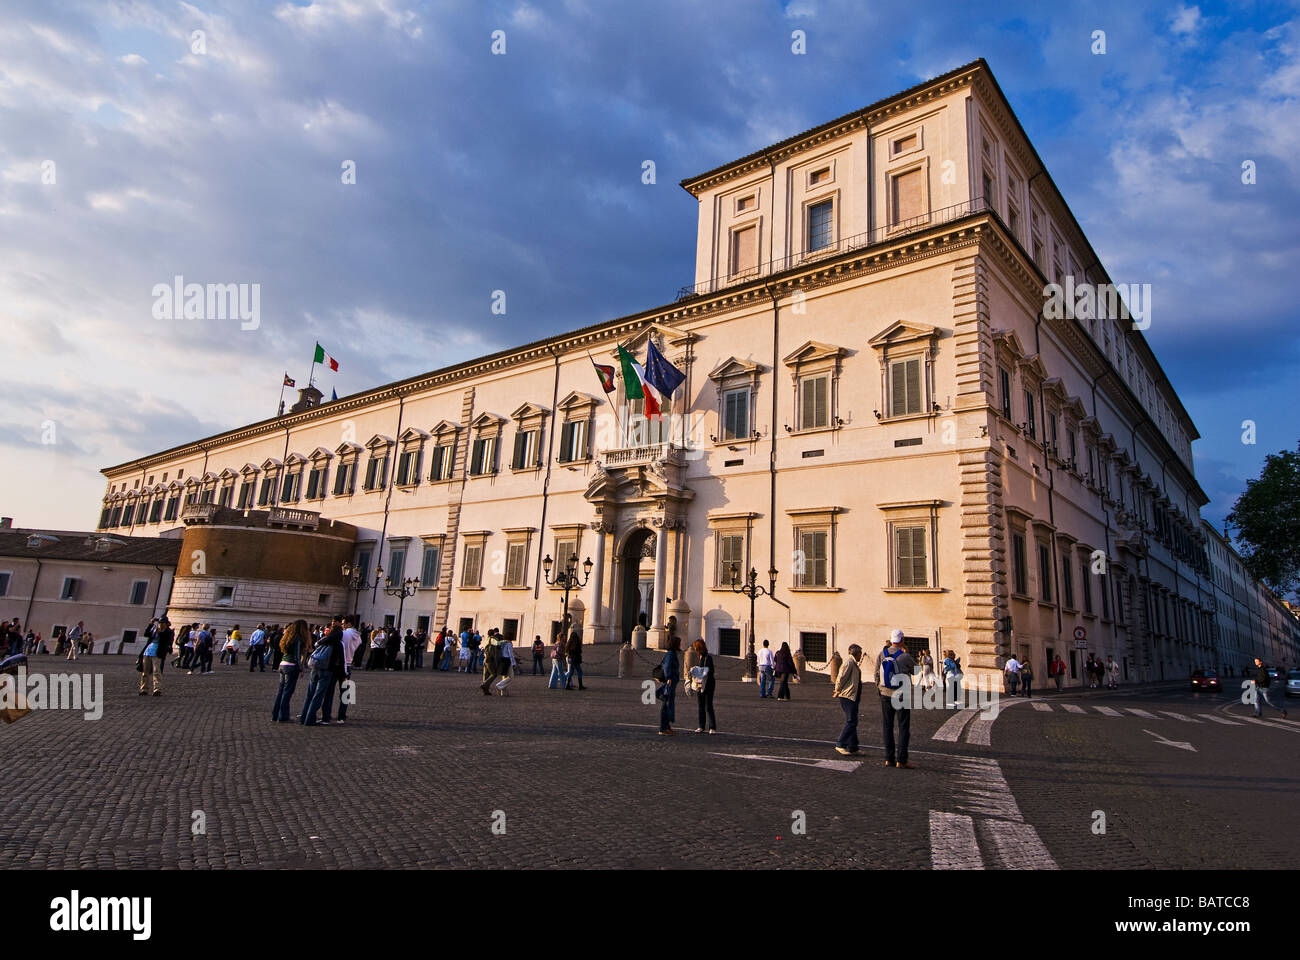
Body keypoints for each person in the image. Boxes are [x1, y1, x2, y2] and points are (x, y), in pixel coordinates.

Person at [875, 630, 915, 768]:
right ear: (902, 640)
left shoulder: (882, 654)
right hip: (901, 696)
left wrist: (880, 690)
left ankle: (889, 758)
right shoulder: (905, 656)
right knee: (903, 727)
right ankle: (902, 760)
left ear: (891, 640)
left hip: (885, 694)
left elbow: (876, 674)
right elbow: (916, 671)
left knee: (888, 726)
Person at [300, 617, 344, 726]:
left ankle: (304, 717)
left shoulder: (324, 640)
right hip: (327, 670)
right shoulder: (338, 643)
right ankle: (310, 719)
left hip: (315, 667)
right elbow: (340, 660)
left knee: (310, 693)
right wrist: (342, 673)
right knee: (318, 695)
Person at [272, 620, 308, 722]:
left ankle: (275, 715)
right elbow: (297, 655)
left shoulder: (288, 637)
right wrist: (300, 668)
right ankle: (283, 716)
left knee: (281, 691)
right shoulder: (298, 638)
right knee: (287, 692)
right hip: (291, 666)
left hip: (283, 663)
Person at [833, 643, 863, 755]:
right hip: (847, 696)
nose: (861, 655)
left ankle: (853, 746)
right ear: (857, 653)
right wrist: (837, 690)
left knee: (853, 721)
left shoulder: (852, 663)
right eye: (860, 653)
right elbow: (841, 677)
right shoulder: (849, 663)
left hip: (852, 696)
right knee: (851, 721)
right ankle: (840, 744)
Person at [138, 617, 173, 696]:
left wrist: (160, 632)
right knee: (145, 672)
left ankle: (157, 689)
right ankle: (144, 688)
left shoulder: (168, 631)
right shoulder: (154, 629)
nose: (161, 624)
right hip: (148, 651)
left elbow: (166, 640)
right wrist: (151, 624)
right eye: (160, 623)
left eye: (162, 623)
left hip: (158, 652)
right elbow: (146, 634)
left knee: (156, 671)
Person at [690, 639, 717, 734]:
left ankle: (712, 727)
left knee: (708, 705)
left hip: (708, 683)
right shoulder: (700, 657)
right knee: (701, 705)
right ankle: (701, 726)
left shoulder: (707, 657)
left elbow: (710, 671)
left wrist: (701, 671)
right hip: (700, 684)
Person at [658, 635, 681, 735]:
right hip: (670, 682)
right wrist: (669, 678)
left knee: (667, 703)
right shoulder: (671, 654)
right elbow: (667, 667)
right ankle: (663, 728)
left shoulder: (671, 654)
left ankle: (666, 726)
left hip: (671, 681)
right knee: (667, 704)